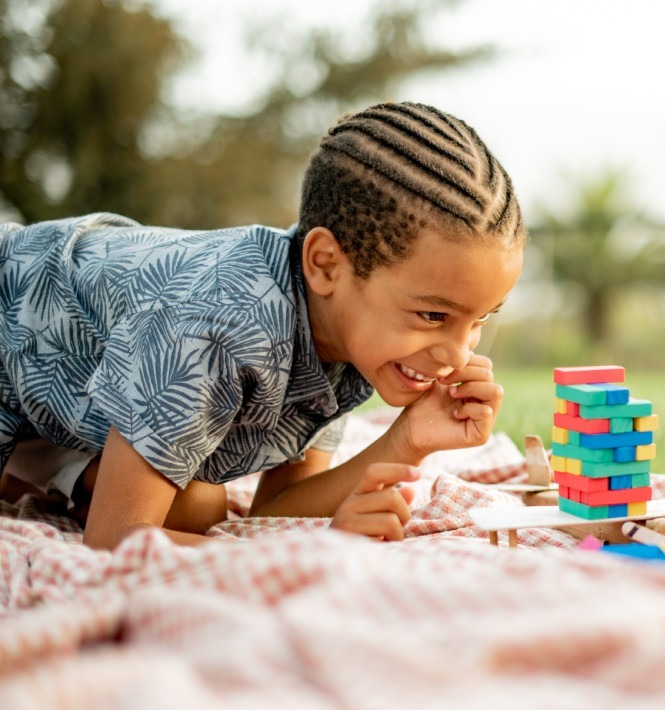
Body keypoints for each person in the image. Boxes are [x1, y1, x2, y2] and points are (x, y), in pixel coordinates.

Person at [0, 102, 525, 550]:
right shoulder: (219, 330)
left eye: (478, 320)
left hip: (55, 391)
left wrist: (407, 440)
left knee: (198, 507)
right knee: (193, 512)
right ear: (325, 264)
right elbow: (115, 540)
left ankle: (48, 466)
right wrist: (312, 549)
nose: (458, 354)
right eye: (434, 315)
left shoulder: (350, 333)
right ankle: (34, 468)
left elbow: (274, 509)